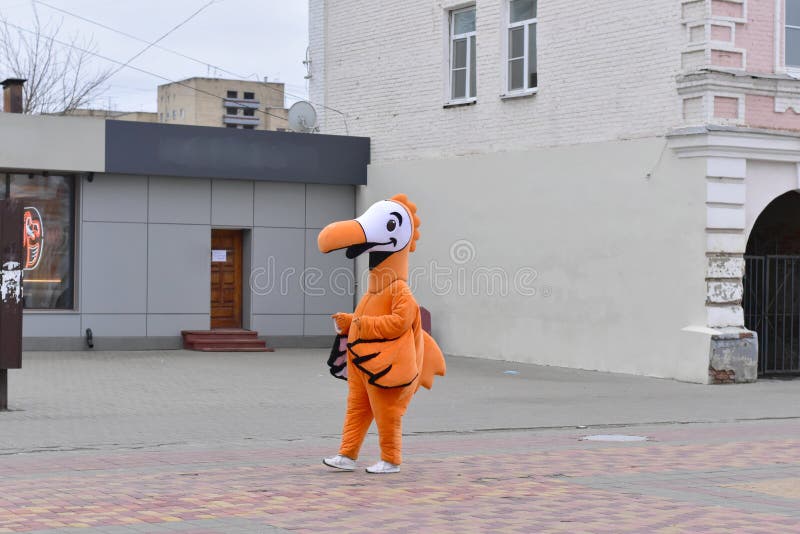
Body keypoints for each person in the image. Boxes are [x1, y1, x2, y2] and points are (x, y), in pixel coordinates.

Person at [316, 194, 446, 474]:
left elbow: (399, 322)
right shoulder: (373, 292)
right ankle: (346, 455)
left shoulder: (400, 290)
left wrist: (359, 325)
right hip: (362, 366)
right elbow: (367, 318)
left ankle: (391, 459)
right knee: (357, 411)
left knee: (388, 415)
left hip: (386, 368)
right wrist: (349, 321)